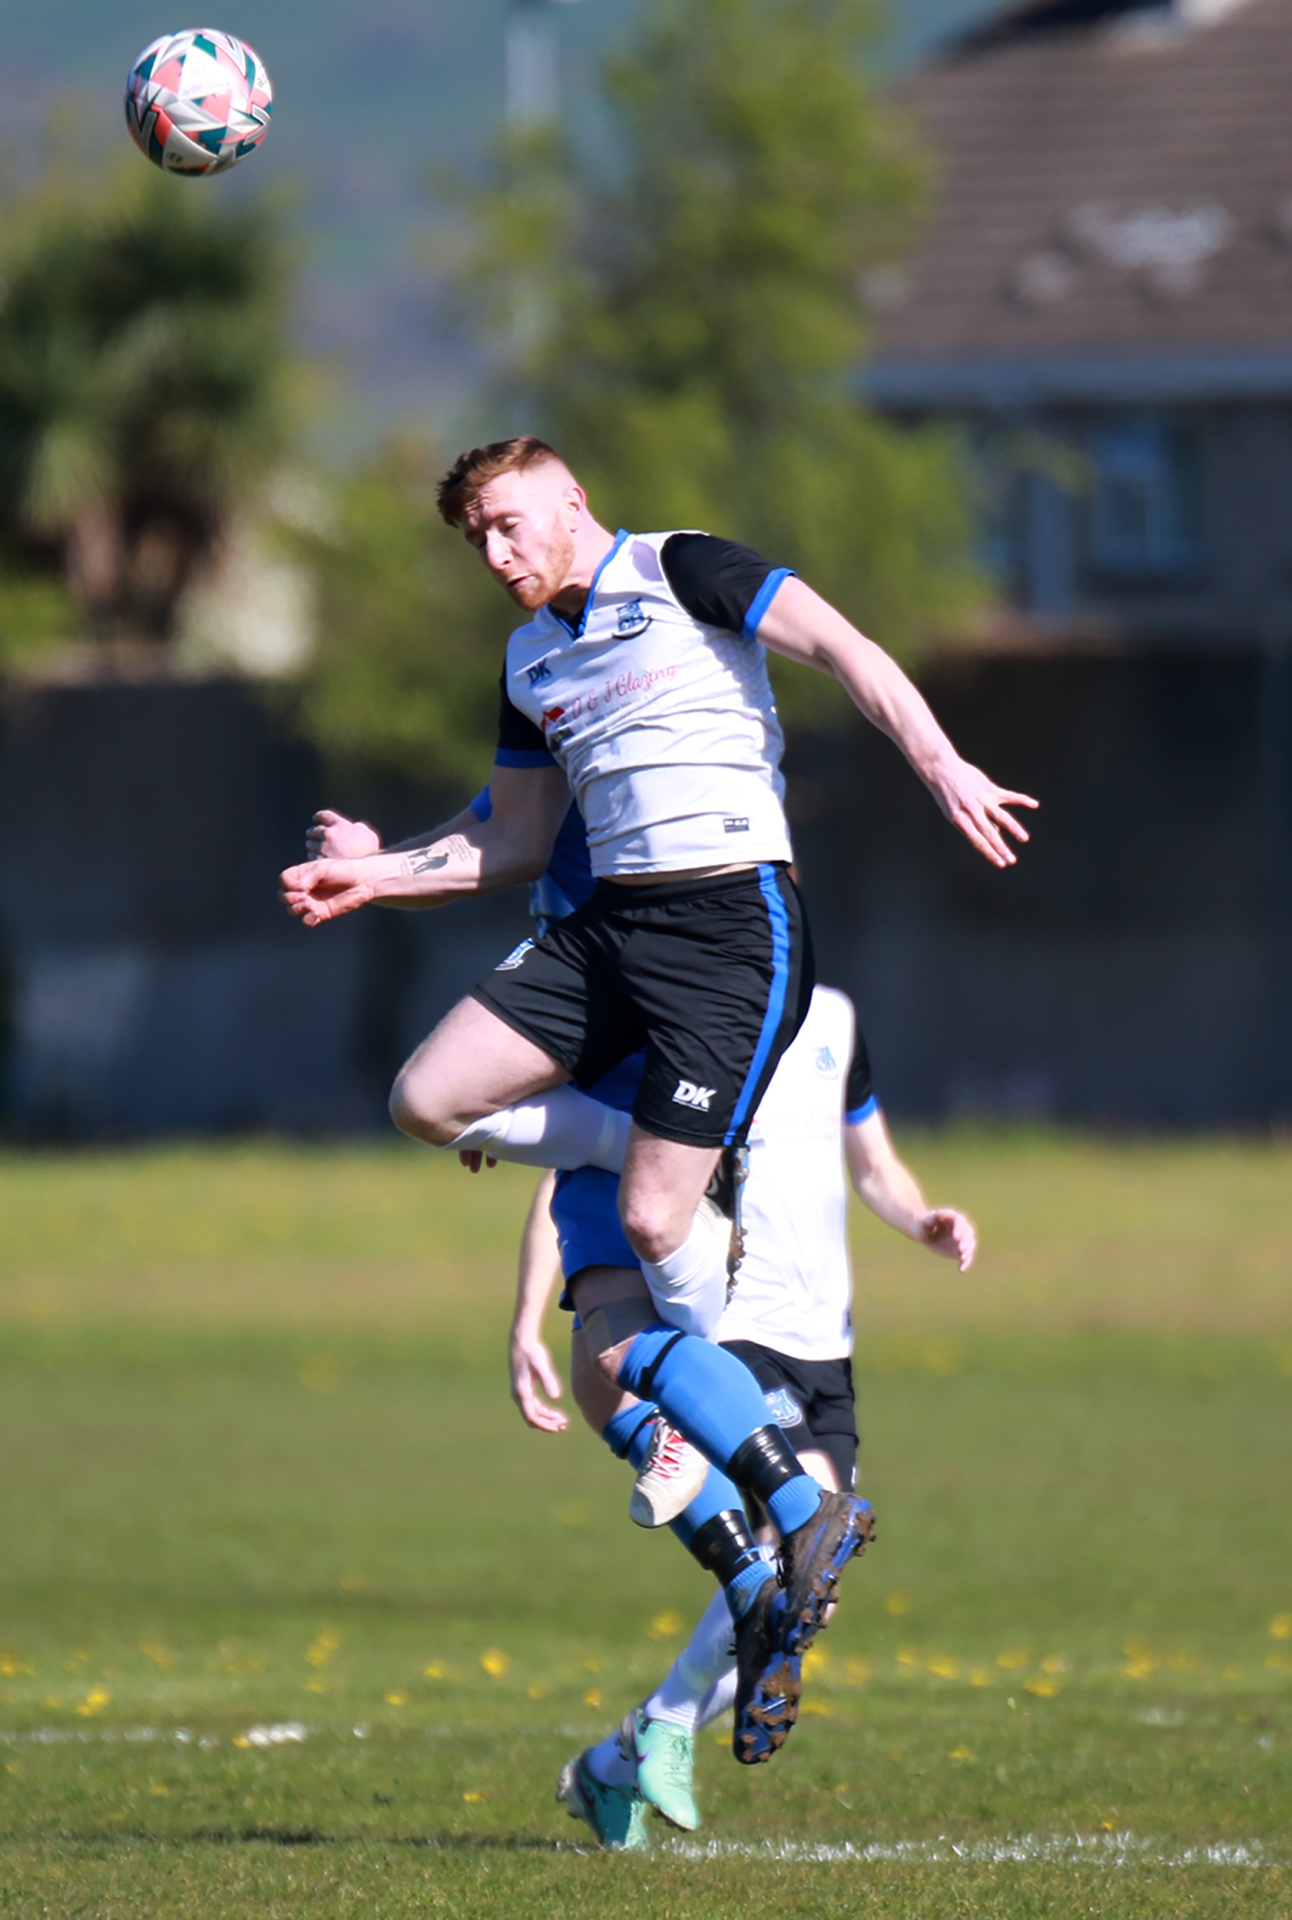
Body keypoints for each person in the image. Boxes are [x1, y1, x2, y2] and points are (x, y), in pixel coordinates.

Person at [280, 434, 1034, 1757]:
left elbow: (847, 649)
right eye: (481, 544)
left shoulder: (679, 569)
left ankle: (782, 1495)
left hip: (732, 926)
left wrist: (944, 763)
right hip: (608, 934)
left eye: (514, 525)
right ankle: (769, 1494)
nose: (501, 557)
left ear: (573, 498)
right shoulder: (528, 664)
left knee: (644, 1227)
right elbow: (510, 842)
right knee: (424, 1095)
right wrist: (375, 877)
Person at [502, 985, 976, 1849]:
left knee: (810, 1600)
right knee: (788, 1557)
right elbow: (580, 1169)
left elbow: (872, 1162)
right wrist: (530, 1314)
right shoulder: (691, 1008)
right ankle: (668, 1728)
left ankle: (618, 1763)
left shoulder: (833, 1015)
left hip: (824, 1344)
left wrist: (921, 1219)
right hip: (734, 1328)